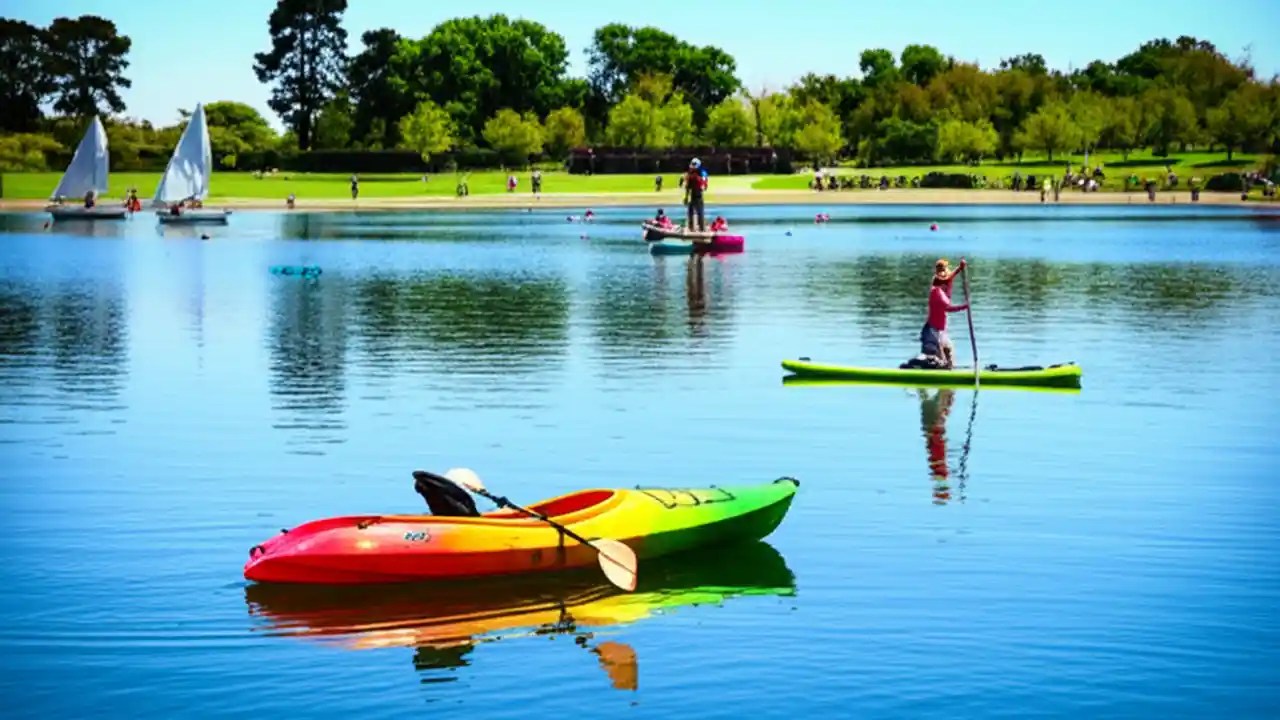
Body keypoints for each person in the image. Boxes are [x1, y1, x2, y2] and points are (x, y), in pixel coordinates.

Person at [920, 258, 969, 369]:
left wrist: (960, 268)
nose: (948, 282)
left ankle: (950, 378)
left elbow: (950, 276)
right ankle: (939, 376)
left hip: (941, 329)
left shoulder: (944, 283)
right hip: (933, 331)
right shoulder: (936, 292)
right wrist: (964, 307)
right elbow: (947, 308)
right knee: (941, 359)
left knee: (949, 352)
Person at [683, 158, 707, 232]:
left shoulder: (702, 174)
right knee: (691, 211)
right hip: (693, 195)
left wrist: (703, 185)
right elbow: (688, 187)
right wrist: (686, 197)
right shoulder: (690, 175)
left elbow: (704, 184)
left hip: (698, 195)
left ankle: (701, 229)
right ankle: (692, 228)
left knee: (700, 212)